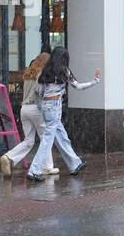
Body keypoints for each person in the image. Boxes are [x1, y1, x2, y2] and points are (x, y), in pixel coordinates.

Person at [26, 47, 100, 182]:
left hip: (45, 106)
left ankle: (74, 164)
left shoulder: (45, 71)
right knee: (47, 140)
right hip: (54, 106)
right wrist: (95, 81)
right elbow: (78, 86)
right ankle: (34, 170)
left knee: (62, 136)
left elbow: (38, 90)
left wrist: (42, 103)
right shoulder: (64, 71)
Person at [0, 53, 59, 177]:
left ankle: (8, 157)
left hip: (24, 109)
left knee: (28, 140)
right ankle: (47, 167)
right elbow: (39, 92)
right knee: (45, 138)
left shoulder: (28, 74)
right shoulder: (41, 75)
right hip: (36, 109)